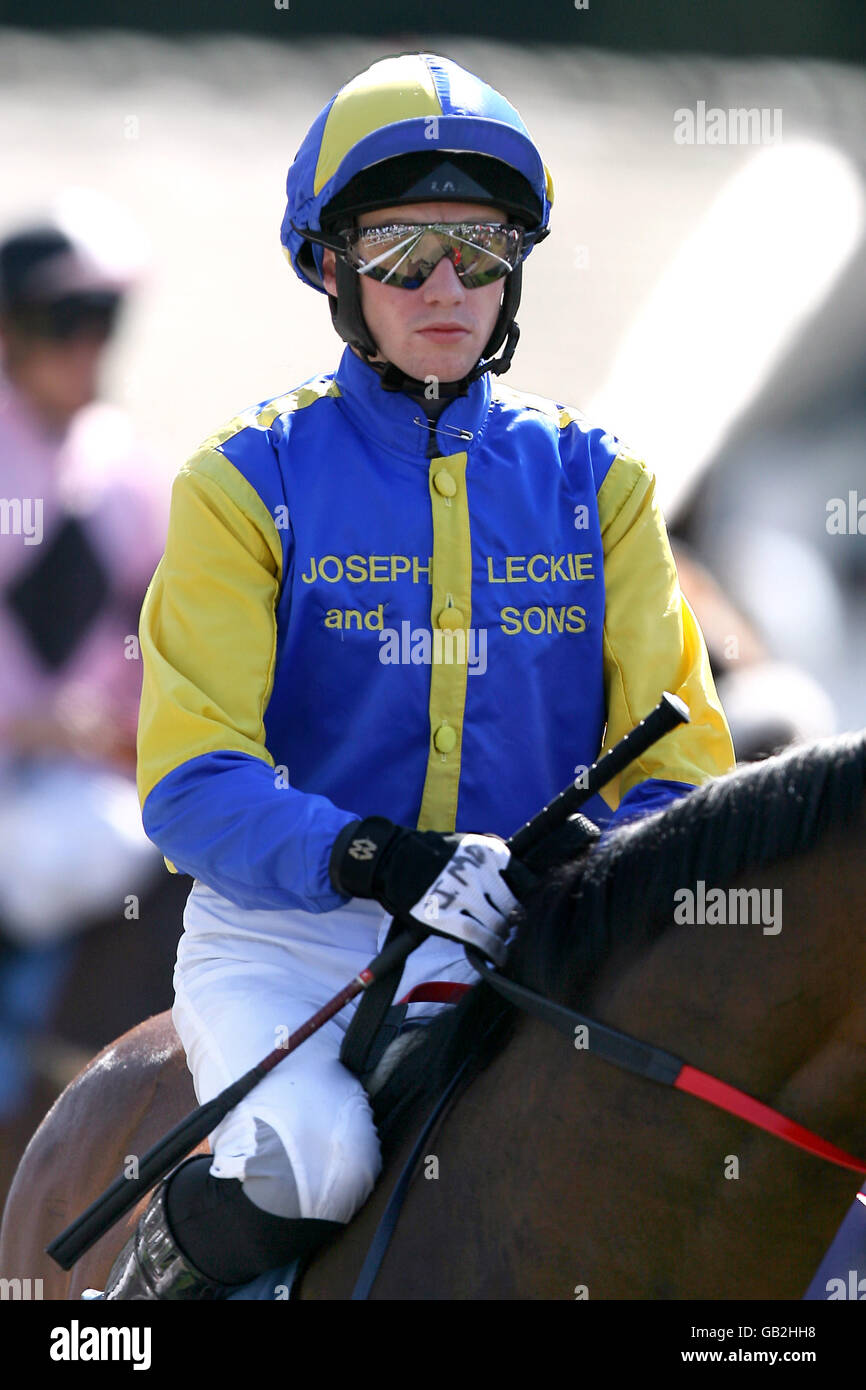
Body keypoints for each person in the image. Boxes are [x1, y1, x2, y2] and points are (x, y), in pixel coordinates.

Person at [104, 52, 735, 1300]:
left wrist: (593, 860)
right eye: (400, 248)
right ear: (330, 265)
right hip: (295, 942)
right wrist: (377, 859)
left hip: (537, 935)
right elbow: (190, 784)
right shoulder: (239, 483)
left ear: (516, 266)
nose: (444, 284)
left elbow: (682, 770)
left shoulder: (602, 484)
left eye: (481, 246)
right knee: (318, 1162)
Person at [0, 215, 165, 1115]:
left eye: (105, 318)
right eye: (67, 318)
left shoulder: (130, 474)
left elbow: (154, 641)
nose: (90, 344)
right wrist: (24, 724)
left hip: (78, 793)